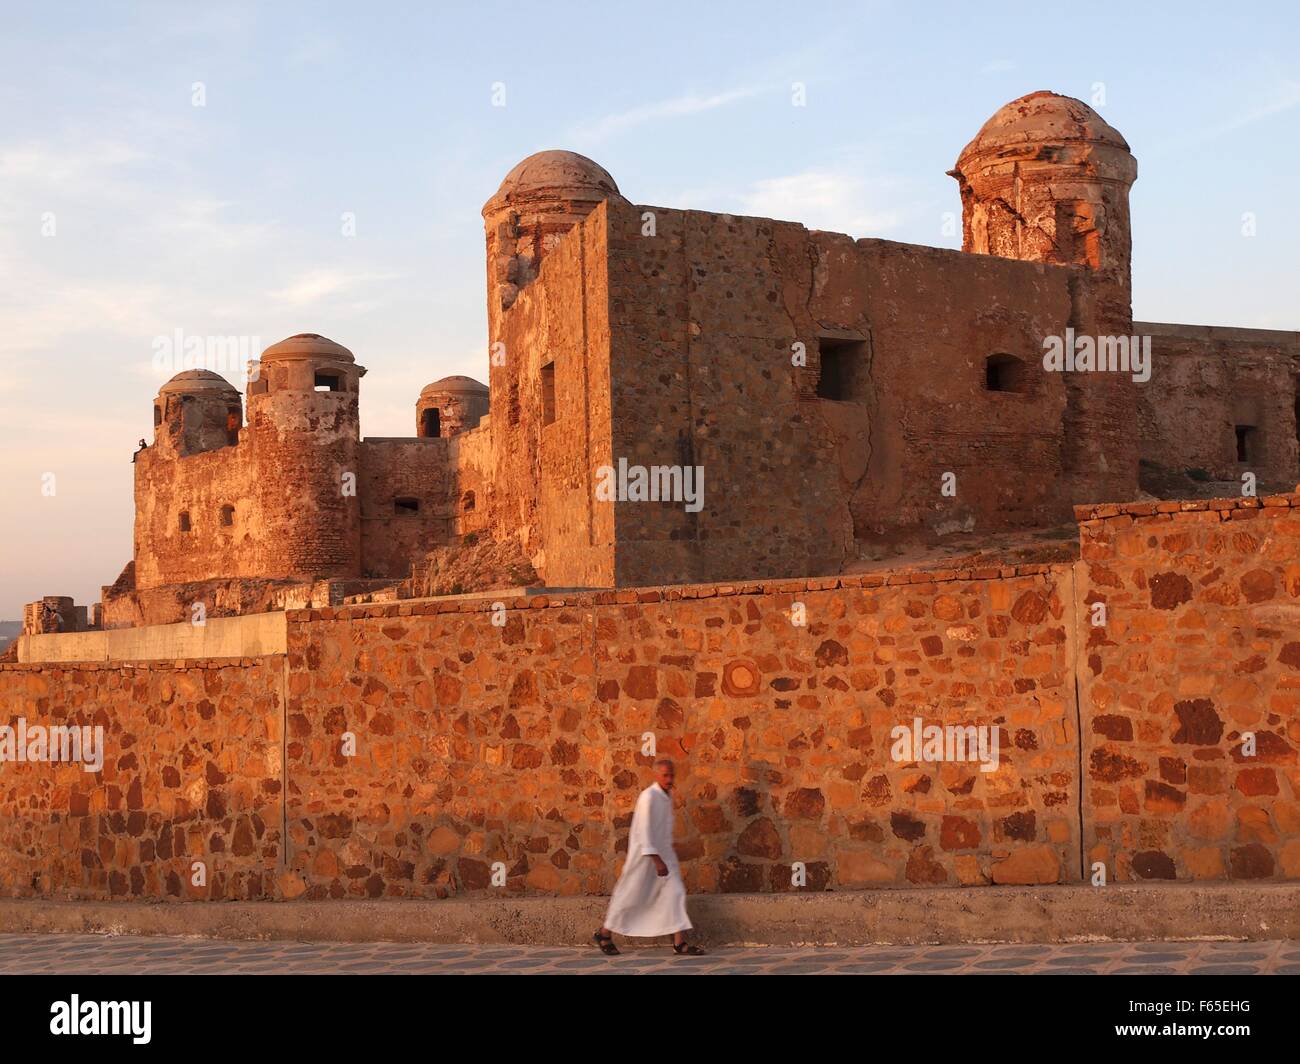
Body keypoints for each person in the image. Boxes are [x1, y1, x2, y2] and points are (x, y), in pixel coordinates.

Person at [594, 758, 704, 956]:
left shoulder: (667, 795)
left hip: (664, 856)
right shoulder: (648, 797)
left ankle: (679, 943)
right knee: (629, 895)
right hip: (645, 859)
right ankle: (604, 934)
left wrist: (666, 856)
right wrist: (656, 860)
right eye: (665, 775)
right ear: (657, 775)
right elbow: (643, 830)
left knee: (676, 893)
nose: (669, 779)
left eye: (671, 775)